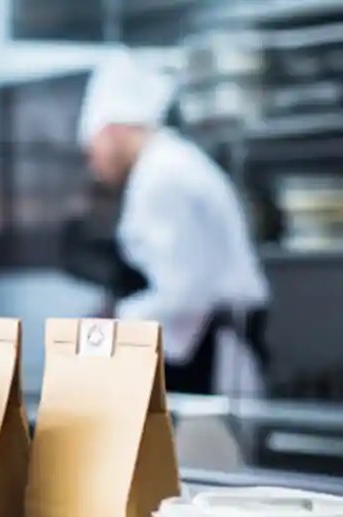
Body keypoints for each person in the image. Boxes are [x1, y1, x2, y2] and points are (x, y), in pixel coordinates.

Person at [80, 49, 270, 396]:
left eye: (91, 148)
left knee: (206, 450)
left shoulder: (161, 178)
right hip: (206, 350)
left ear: (113, 132)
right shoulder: (168, 163)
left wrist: (115, 321)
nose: (93, 165)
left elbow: (184, 293)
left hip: (212, 360)